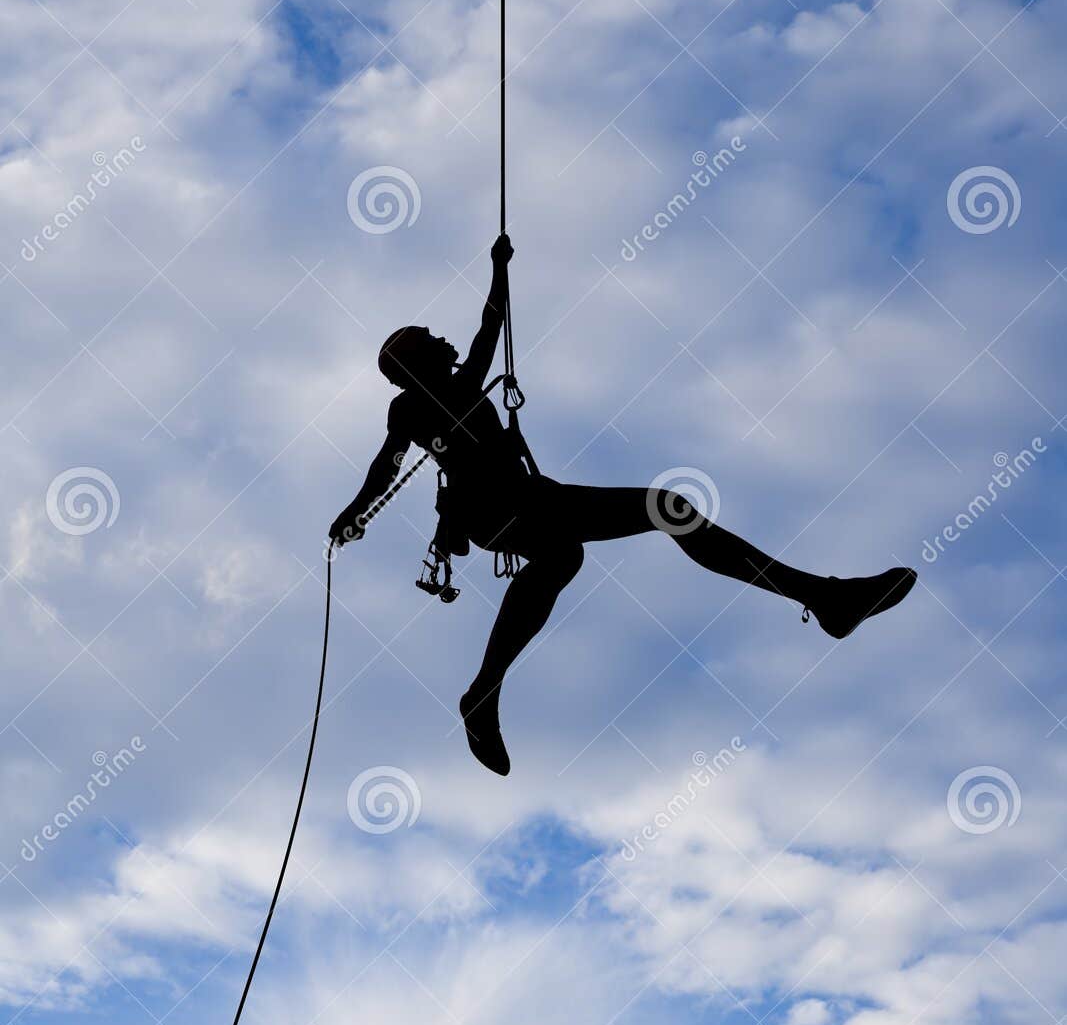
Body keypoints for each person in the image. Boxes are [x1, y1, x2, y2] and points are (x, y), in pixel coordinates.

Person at [329, 234, 916, 775]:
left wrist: (499, 269)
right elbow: (388, 463)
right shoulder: (412, 406)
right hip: (497, 511)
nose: (439, 338)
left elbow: (489, 325)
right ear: (413, 365)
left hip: (535, 500)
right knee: (611, 533)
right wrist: (355, 511)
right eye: (426, 340)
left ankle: (824, 597)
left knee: (608, 537)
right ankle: (824, 596)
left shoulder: (457, 382)